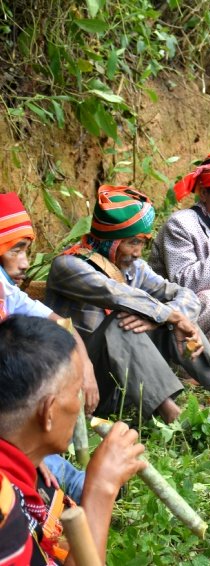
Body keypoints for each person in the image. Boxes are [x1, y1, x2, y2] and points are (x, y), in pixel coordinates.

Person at [45, 185, 210, 424]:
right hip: (83, 380)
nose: (139, 253)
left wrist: (172, 316)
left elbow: (185, 294)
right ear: (110, 241)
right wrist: (166, 315)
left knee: (172, 321)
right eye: (132, 243)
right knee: (122, 323)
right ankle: (172, 418)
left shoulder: (134, 267)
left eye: (142, 243)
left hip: (126, 380)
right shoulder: (69, 266)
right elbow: (117, 295)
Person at [0, 315, 146, 566]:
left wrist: (30, 458)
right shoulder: (5, 512)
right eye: (76, 392)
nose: (79, 405)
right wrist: (100, 489)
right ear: (49, 412)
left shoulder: (18, 466)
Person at [0, 192, 93, 502]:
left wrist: (86, 368)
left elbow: (61, 323)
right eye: (17, 251)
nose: (25, 263)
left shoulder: (7, 291)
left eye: (27, 251)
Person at [149, 150, 210, 355]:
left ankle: (209, 356)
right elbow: (186, 284)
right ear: (203, 193)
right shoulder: (181, 224)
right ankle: (185, 362)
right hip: (171, 317)